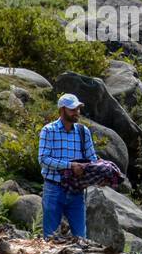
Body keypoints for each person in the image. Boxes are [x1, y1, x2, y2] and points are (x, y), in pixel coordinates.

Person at [38, 93, 99, 239]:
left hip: (76, 190)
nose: (77, 112)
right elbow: (43, 159)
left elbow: (92, 158)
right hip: (53, 189)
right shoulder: (48, 130)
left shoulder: (83, 132)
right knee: (50, 237)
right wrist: (70, 166)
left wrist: (95, 171)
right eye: (72, 109)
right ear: (62, 110)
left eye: (78, 108)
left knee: (81, 238)